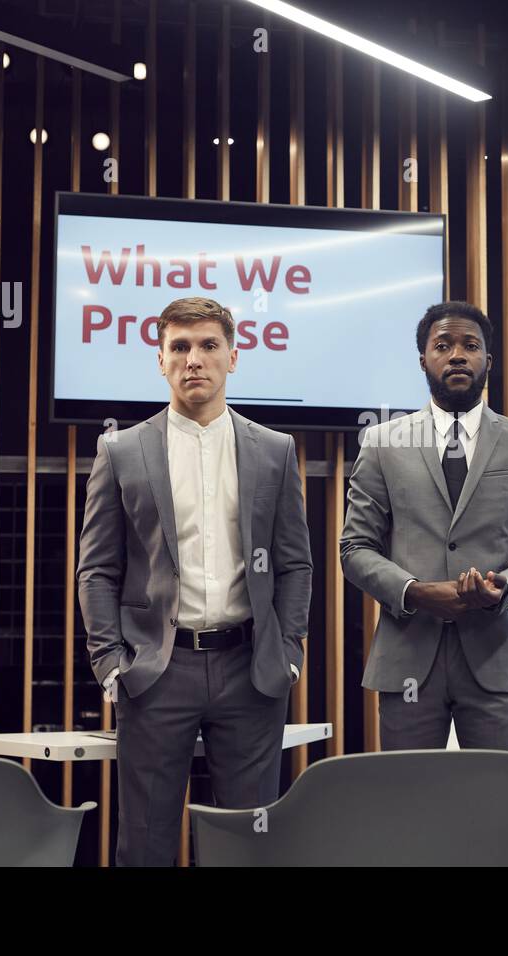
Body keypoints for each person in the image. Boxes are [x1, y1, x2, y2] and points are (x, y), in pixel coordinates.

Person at [78, 295, 311, 866]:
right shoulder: (122, 450)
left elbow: (295, 564)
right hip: (157, 671)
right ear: (160, 361)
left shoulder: (276, 451)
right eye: (178, 347)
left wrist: (289, 652)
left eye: (208, 346)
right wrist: (111, 664)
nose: (194, 360)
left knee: (247, 843)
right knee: (146, 843)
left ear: (234, 357)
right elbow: (97, 569)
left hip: (251, 670)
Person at [340, 300, 508, 757]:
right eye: (443, 345)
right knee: (410, 814)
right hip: (407, 659)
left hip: (495, 659)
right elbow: (355, 548)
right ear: (424, 359)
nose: (457, 355)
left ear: (488, 361)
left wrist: (503, 588)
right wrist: (415, 591)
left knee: (497, 811)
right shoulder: (383, 443)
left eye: (470, 345)